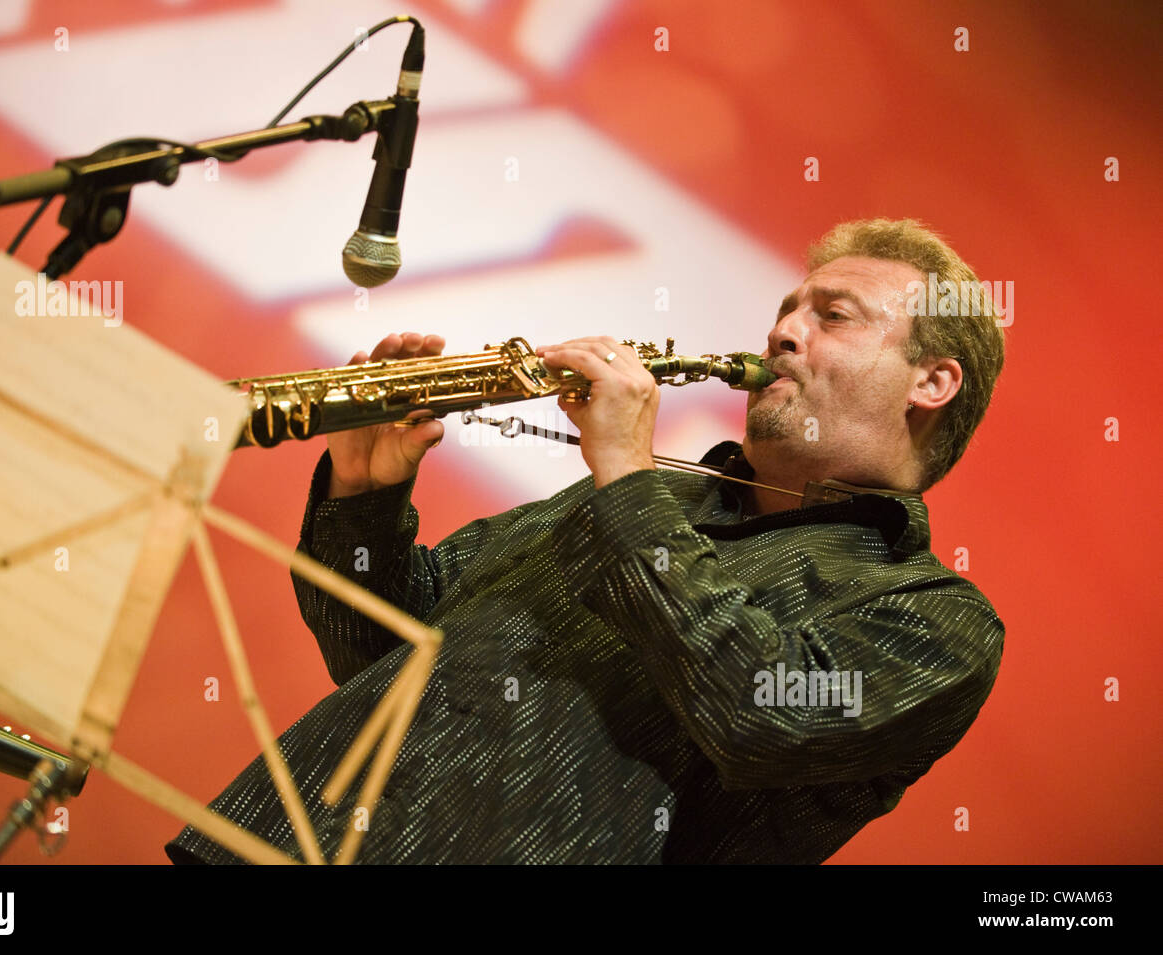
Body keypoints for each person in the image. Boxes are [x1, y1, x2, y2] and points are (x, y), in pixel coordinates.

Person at [166, 217, 1006, 864]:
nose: (784, 332)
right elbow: (375, 650)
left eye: (835, 317)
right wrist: (366, 492)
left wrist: (628, 483)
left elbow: (757, 707)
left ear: (932, 382)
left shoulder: (934, 617)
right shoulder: (648, 496)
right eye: (788, 309)